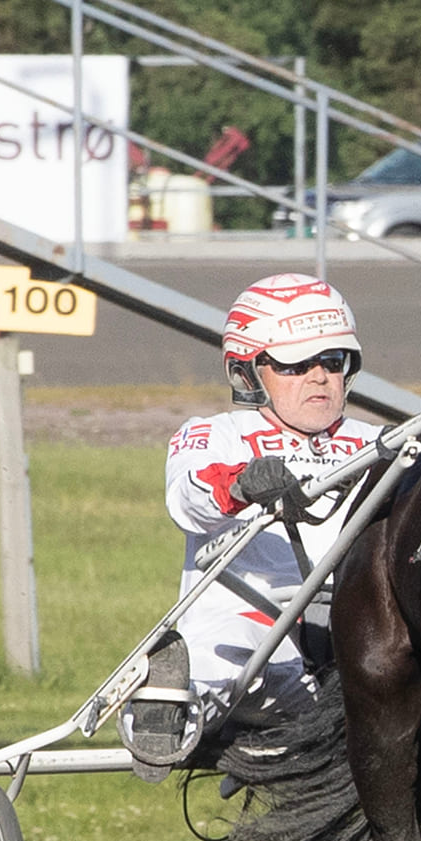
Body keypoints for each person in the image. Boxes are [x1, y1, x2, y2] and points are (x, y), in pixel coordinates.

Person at [122, 274, 377, 773]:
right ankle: (165, 709)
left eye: (332, 361)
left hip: (354, 636)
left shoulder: (381, 442)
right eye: (296, 364)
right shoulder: (215, 434)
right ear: (248, 371)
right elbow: (186, 500)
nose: (320, 377)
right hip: (252, 628)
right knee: (224, 650)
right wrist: (241, 484)